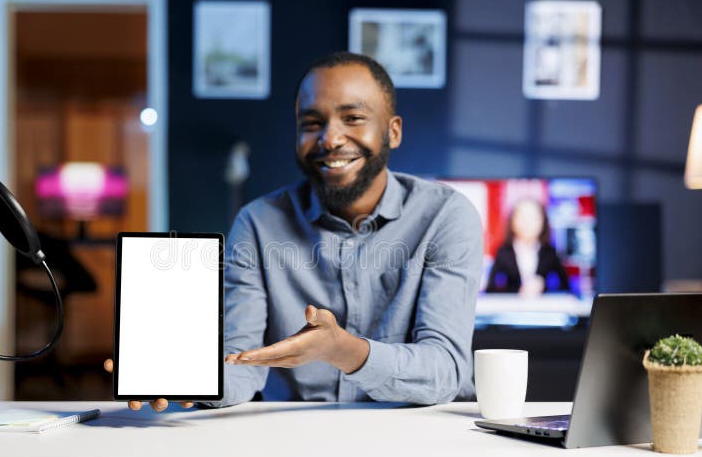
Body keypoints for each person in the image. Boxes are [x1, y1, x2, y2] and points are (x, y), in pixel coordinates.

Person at [106, 52, 483, 412]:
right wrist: (193, 380)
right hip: (292, 442)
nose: (330, 139)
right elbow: (244, 360)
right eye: (312, 122)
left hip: (418, 441)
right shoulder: (257, 223)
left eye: (352, 118)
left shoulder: (446, 216)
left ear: (393, 131)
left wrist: (342, 349)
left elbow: (446, 368)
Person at [485, 198, 570, 296]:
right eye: (522, 217)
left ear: (543, 222)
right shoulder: (503, 252)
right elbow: (490, 289)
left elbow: (565, 288)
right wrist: (519, 291)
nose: (527, 222)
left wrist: (544, 287)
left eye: (533, 217)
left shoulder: (550, 252)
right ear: (512, 222)